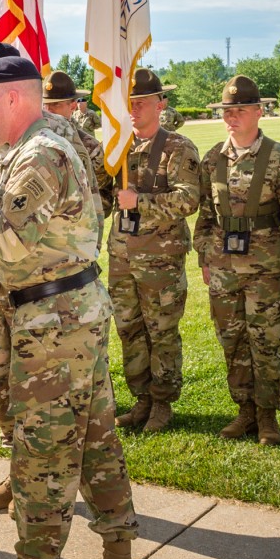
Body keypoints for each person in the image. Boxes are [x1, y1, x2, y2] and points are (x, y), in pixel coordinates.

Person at [0, 51, 139, 559]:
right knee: (98, 440)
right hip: (68, 310)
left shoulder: (40, 154)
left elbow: (2, 235)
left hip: (54, 327)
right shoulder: (48, 140)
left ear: (14, 99)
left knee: (42, 452)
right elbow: (49, 247)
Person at [194, 76, 280, 446]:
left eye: (240, 109)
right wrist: (204, 257)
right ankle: (245, 411)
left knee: (267, 341)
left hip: (268, 268)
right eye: (227, 110)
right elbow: (206, 214)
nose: (232, 116)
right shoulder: (212, 159)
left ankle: (268, 416)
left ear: (259, 111)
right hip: (223, 267)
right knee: (233, 341)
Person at [104, 68, 201, 432]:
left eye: (141, 102)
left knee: (161, 331)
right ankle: (141, 399)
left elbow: (188, 200)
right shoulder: (119, 146)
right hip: (122, 254)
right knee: (129, 329)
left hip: (160, 257)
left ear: (160, 104)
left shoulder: (177, 147)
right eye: (129, 102)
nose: (133, 109)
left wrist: (139, 201)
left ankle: (162, 403)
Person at [42, 69, 109, 249]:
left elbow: (102, 196)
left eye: (55, 105)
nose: (48, 111)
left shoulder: (89, 148)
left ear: (72, 106)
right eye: (45, 105)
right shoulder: (30, 143)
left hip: (74, 242)